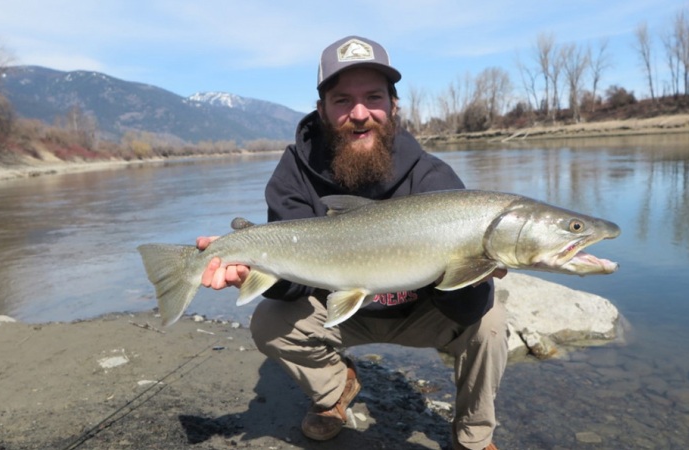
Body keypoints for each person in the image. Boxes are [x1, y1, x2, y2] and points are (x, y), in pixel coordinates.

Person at [196, 35, 508, 450]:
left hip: (422, 310)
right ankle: (336, 389)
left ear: (394, 105)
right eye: (342, 100)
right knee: (269, 322)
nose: (359, 114)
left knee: (489, 320)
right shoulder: (295, 173)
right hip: (340, 310)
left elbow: (467, 307)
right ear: (321, 109)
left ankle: (473, 436)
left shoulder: (434, 180)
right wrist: (257, 271)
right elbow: (295, 285)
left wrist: (473, 275)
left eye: (373, 97)